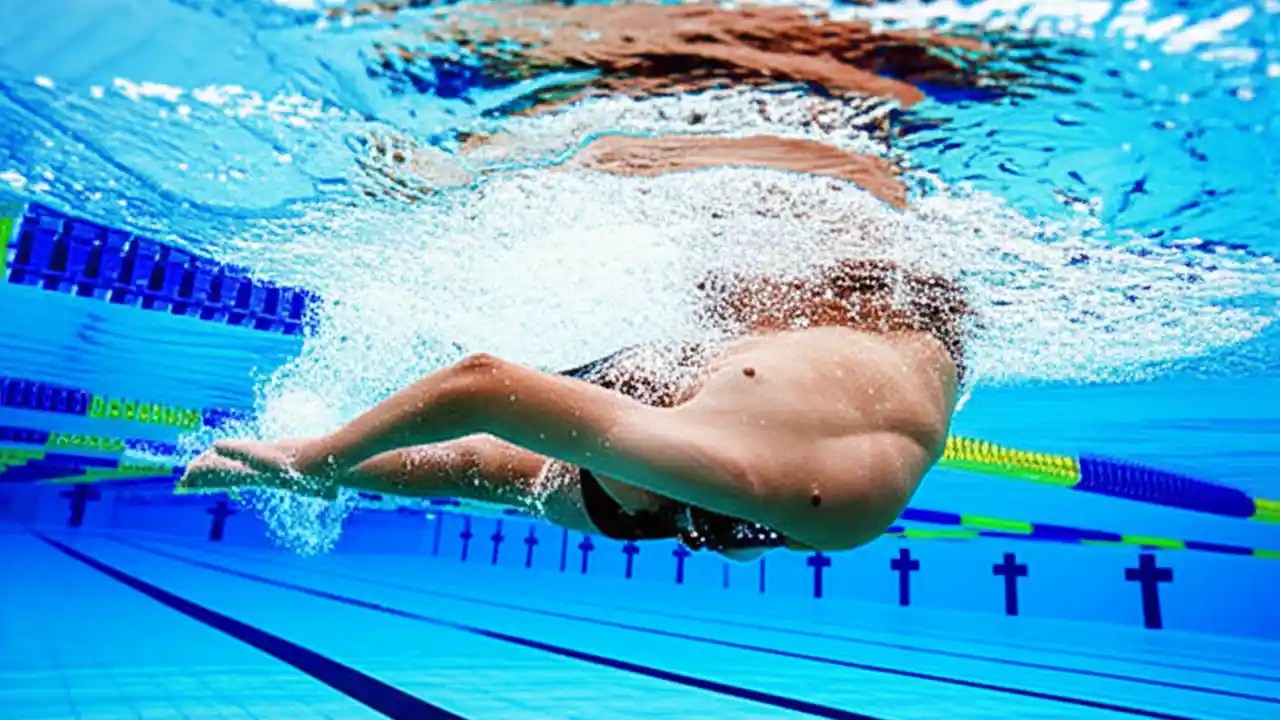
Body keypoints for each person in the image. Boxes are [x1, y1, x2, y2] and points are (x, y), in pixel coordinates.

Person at [180, 258, 970, 559]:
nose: (592, 441)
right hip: (803, 467)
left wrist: (319, 457)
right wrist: (326, 464)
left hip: (771, 487)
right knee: (482, 466)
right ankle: (310, 474)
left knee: (486, 467)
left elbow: (480, 384)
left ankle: (306, 473)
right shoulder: (791, 478)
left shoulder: (750, 475)